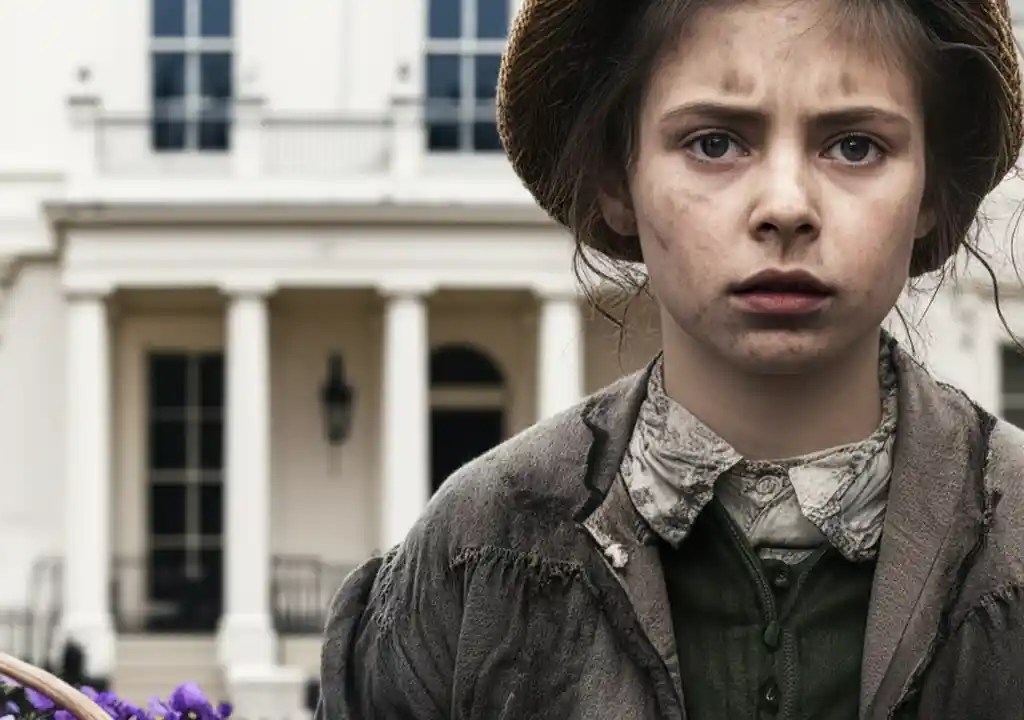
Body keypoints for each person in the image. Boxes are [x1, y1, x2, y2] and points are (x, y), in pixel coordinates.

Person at [317, 0, 1024, 717]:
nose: (785, 206)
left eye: (855, 146)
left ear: (932, 190)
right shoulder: (475, 555)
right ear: (617, 182)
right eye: (715, 143)